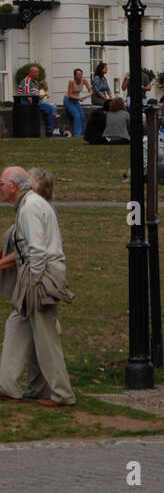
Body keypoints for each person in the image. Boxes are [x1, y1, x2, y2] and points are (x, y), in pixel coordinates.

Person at [0, 167, 75, 406]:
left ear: (14, 185)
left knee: (45, 336)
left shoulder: (30, 207)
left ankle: (62, 394)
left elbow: (38, 250)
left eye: (2, 182)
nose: (0, 187)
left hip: (38, 278)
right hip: (33, 275)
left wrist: (33, 282)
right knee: (16, 324)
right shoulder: (28, 205)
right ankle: (7, 385)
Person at [20, 66, 58, 135]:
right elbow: (28, 95)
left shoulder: (36, 82)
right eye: (36, 72)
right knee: (49, 108)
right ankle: (49, 130)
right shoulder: (27, 81)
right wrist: (34, 105)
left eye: (38, 72)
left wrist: (43, 95)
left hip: (34, 101)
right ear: (31, 72)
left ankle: (50, 128)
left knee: (52, 106)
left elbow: (37, 97)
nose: (37, 74)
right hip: (26, 102)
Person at [63, 69, 91, 137]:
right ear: (75, 75)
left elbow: (90, 90)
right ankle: (77, 135)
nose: (80, 76)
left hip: (76, 100)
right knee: (77, 115)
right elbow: (69, 95)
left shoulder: (84, 80)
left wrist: (89, 94)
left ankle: (80, 133)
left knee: (82, 116)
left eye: (81, 74)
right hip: (68, 100)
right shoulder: (71, 81)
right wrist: (79, 98)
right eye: (78, 74)